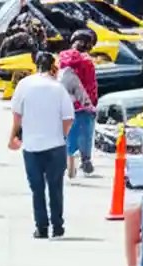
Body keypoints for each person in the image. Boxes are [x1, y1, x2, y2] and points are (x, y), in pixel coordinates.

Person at [9, 51, 75, 238]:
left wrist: (13, 136)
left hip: (31, 146)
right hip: (55, 146)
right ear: (52, 66)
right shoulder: (58, 88)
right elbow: (68, 118)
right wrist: (60, 135)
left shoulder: (24, 85)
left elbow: (17, 115)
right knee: (55, 187)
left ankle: (42, 227)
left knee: (37, 189)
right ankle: (58, 225)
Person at [59, 29, 98, 178]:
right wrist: (92, 103)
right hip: (82, 105)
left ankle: (66, 160)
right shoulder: (87, 62)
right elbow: (90, 85)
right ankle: (85, 160)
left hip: (65, 104)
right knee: (85, 133)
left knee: (67, 134)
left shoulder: (61, 59)